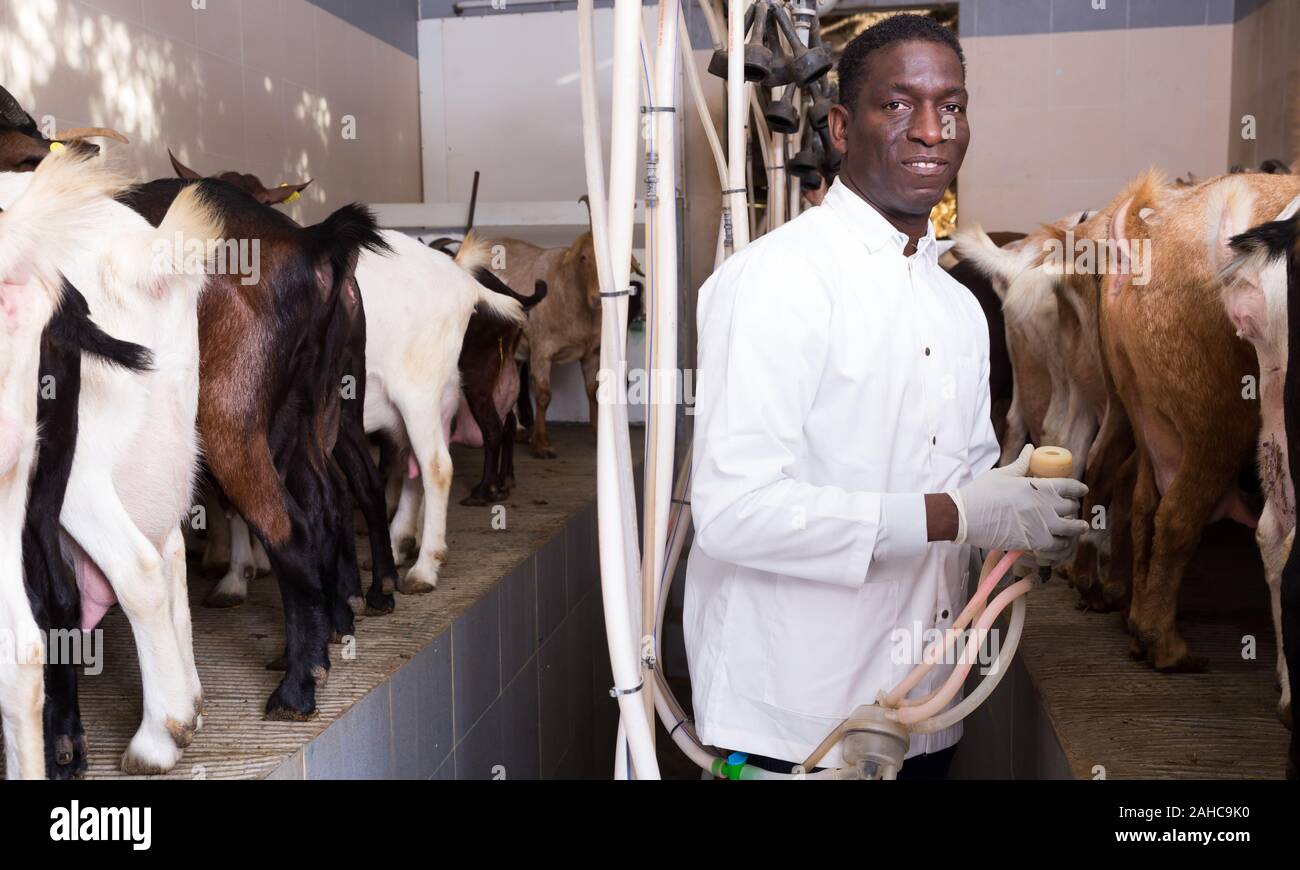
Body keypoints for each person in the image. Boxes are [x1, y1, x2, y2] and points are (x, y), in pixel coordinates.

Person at [684, 14, 1088, 779]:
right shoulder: (777, 281)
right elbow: (734, 513)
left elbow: (967, 489)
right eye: (897, 104)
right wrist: (956, 512)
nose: (933, 130)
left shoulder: (958, 308)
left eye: (953, 106)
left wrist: (1018, 523)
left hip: (926, 712)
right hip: (796, 717)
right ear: (840, 126)